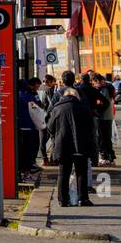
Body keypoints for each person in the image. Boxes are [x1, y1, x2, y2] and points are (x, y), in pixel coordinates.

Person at [46, 71, 98, 207]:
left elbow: (50, 127)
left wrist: (56, 136)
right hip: (81, 144)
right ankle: (83, 199)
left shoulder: (57, 108)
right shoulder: (84, 107)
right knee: (81, 172)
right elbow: (91, 127)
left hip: (63, 145)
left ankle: (63, 200)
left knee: (63, 173)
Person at [95, 73, 117, 166]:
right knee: (107, 138)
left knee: (103, 138)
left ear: (99, 81)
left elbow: (104, 103)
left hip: (104, 117)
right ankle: (110, 158)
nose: (94, 85)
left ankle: (105, 158)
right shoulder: (108, 87)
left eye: (94, 83)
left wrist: (97, 111)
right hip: (108, 116)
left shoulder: (104, 89)